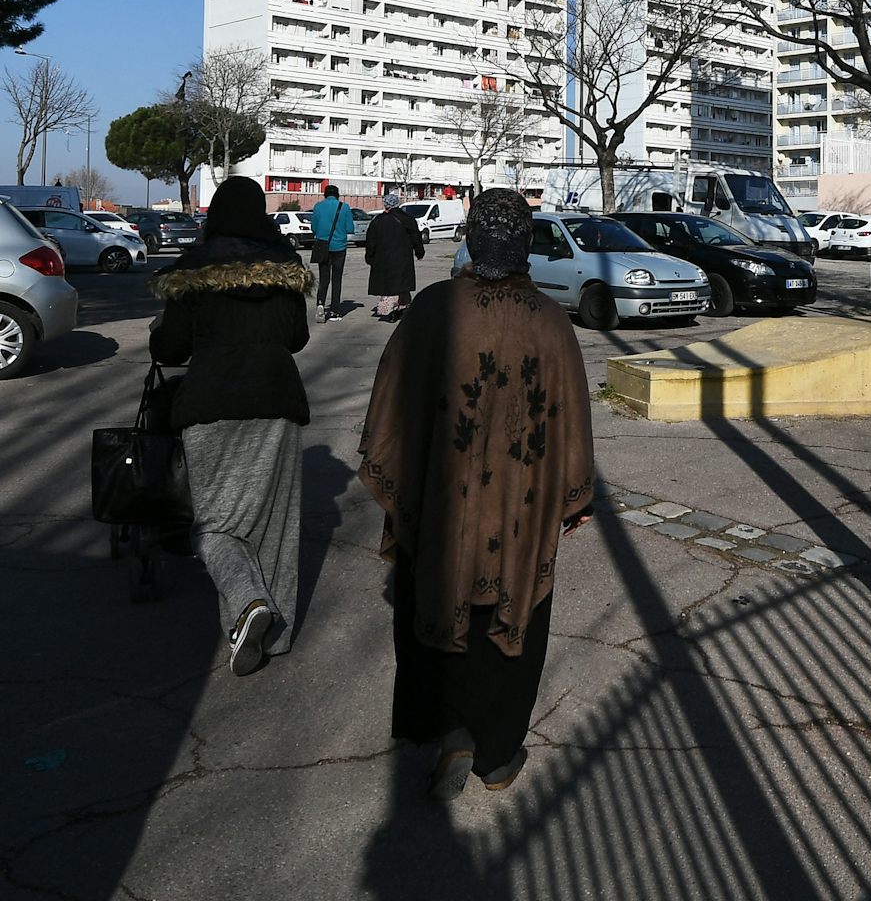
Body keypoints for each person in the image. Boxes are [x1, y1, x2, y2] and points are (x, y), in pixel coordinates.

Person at [358, 189, 595, 801]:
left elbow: (390, 418)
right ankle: (494, 753)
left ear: (470, 236)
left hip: (442, 509)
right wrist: (571, 499)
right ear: (524, 242)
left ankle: (448, 728)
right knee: (513, 614)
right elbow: (571, 429)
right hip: (520, 513)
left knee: (431, 599)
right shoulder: (550, 320)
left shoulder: (434, 309)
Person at [149, 177, 312, 677]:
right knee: (276, 528)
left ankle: (246, 605)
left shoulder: (195, 268)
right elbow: (298, 337)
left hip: (211, 403)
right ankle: (269, 639)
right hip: (278, 401)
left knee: (215, 524)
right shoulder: (283, 267)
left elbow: (169, 350)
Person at [365, 191, 425, 321]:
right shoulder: (408, 219)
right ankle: (402, 308)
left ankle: (390, 311)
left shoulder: (377, 221)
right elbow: (416, 238)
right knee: (402, 286)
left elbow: (371, 241)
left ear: (386, 205)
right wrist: (419, 252)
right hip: (403, 258)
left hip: (383, 259)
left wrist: (369, 257)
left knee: (388, 288)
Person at [308, 186, 354, 322]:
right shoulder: (344, 207)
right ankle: (335, 310)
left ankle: (321, 304)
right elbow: (350, 228)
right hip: (339, 247)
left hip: (322, 246)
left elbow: (314, 228)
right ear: (338, 195)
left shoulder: (318, 206)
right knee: (337, 279)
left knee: (324, 278)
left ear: (325, 194)